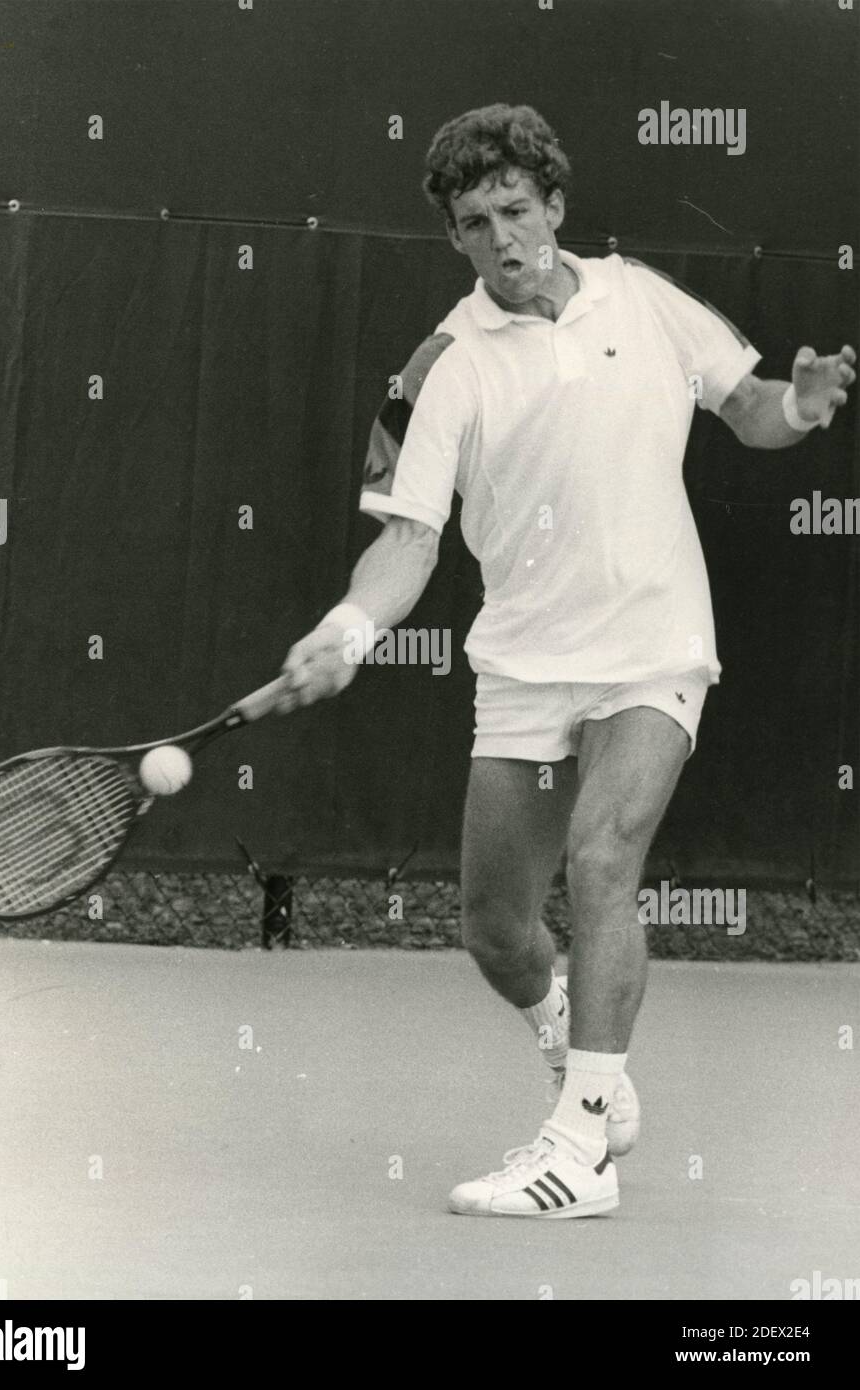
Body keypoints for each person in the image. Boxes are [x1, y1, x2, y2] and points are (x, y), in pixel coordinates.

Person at [276, 104, 855, 1218]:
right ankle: (577, 1053)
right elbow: (406, 540)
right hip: (525, 664)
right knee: (494, 928)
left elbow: (744, 406)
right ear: (451, 237)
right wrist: (348, 631)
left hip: (653, 640)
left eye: (514, 209)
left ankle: (580, 1145)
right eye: (472, 220)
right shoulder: (436, 367)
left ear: (554, 207)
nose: (500, 236)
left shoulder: (640, 299)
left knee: (601, 860)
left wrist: (800, 405)